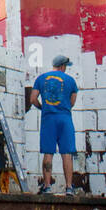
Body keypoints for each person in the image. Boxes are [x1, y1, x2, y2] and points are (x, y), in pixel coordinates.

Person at [30, 55, 79, 195]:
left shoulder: (41, 78)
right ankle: (69, 187)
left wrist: (43, 107)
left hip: (48, 118)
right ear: (63, 66)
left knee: (48, 153)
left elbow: (33, 99)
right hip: (65, 118)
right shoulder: (70, 80)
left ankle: (47, 186)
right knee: (67, 153)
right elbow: (72, 103)